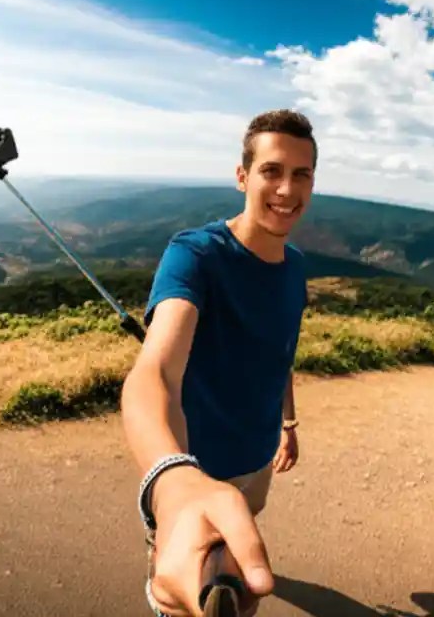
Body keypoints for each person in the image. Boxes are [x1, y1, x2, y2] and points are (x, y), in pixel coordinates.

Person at [120, 108, 318, 617]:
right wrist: (172, 478)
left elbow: (282, 350)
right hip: (194, 467)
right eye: (272, 170)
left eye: (301, 175)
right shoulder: (195, 256)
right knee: (189, 597)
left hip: (256, 459)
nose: (287, 189)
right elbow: (155, 371)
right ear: (242, 175)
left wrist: (287, 423)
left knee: (240, 552)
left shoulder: (295, 267)